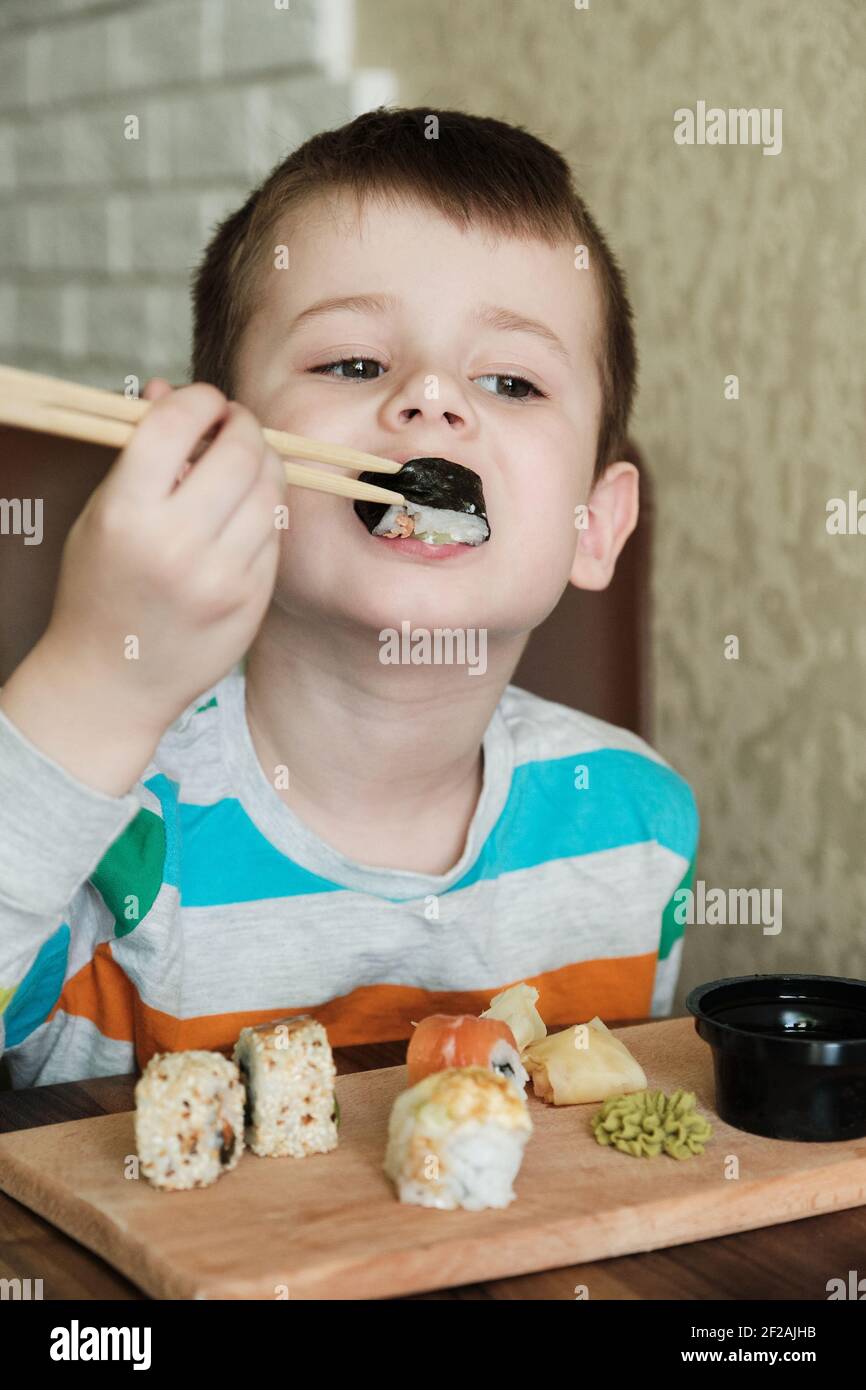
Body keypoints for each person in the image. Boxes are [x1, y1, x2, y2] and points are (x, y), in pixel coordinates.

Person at [0, 108, 697, 1087]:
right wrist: (95, 682)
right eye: (353, 363)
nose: (429, 399)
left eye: (507, 379)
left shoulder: (633, 828)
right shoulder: (116, 831)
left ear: (595, 523)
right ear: (223, 464)